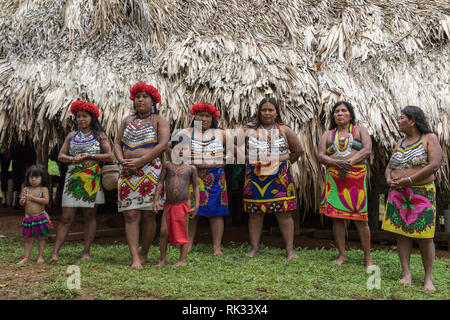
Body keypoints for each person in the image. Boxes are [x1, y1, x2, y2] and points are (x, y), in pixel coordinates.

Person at [382, 106, 442, 291]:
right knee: (403, 234)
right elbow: (390, 166)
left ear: (412, 120)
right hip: (400, 194)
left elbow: (434, 164)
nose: (398, 121)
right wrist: (389, 179)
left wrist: (409, 180)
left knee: (425, 236)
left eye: (401, 118)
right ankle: (406, 274)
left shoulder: (429, 138)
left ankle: (428, 278)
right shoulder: (401, 142)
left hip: (421, 193)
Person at [237, 97, 303, 259]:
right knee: (255, 212)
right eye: (263, 110)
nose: (266, 113)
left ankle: (290, 250)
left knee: (283, 212)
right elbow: (233, 145)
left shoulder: (285, 130)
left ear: (276, 112)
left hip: (280, 177)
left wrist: (282, 164)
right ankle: (254, 248)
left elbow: (297, 150)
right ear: (259, 112)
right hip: (254, 176)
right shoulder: (250, 130)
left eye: (270, 110)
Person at [114, 82, 170, 269]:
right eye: (138, 96)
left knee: (148, 215)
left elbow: (162, 144)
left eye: (145, 96)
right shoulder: (127, 121)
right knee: (130, 214)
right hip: (128, 172)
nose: (140, 99)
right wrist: (122, 161)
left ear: (153, 100)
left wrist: (141, 161)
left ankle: (144, 253)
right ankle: (135, 257)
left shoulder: (159, 120)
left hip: (151, 171)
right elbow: (116, 143)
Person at [50, 100, 112, 262]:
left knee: (89, 215)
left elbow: (109, 156)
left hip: (91, 178)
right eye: (78, 116)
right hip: (73, 177)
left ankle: (86, 251)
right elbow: (60, 156)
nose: (81, 119)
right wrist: (72, 158)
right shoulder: (72, 136)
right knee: (66, 216)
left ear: (92, 117)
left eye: (84, 116)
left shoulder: (100, 135)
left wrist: (90, 156)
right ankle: (55, 253)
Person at [318, 101, 373, 267]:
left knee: (361, 219)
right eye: (336, 111)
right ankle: (342, 255)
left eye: (343, 111)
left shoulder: (360, 131)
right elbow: (321, 156)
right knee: (337, 218)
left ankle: (368, 257)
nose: (339, 114)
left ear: (350, 114)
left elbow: (367, 150)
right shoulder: (328, 134)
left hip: (355, 178)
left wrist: (348, 163)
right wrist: (337, 164)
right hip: (334, 179)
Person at [176, 103, 229, 256]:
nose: (203, 118)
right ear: (195, 117)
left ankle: (216, 247)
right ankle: (189, 243)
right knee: (192, 210)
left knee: (216, 212)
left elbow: (234, 152)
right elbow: (170, 148)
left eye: (207, 116)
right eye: (200, 115)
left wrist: (222, 161)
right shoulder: (186, 132)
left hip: (215, 177)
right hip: (192, 176)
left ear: (213, 118)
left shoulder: (221, 134)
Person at [153, 137, 200, 267]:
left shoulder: (191, 168)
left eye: (184, 148)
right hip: (169, 204)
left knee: (183, 232)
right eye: (177, 148)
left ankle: (182, 260)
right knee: (164, 231)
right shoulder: (167, 165)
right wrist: (156, 200)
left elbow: (196, 187)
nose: (180, 151)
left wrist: (196, 205)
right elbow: (160, 183)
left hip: (184, 204)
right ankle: (162, 259)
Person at [17, 164, 52, 265]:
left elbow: (46, 201)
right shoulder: (26, 189)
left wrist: (32, 198)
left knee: (41, 237)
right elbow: (21, 202)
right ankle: (26, 257)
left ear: (42, 178)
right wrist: (22, 201)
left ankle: (40, 256)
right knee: (29, 238)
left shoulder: (43, 189)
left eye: (36, 177)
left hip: (40, 217)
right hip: (28, 218)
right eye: (31, 177)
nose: (33, 179)